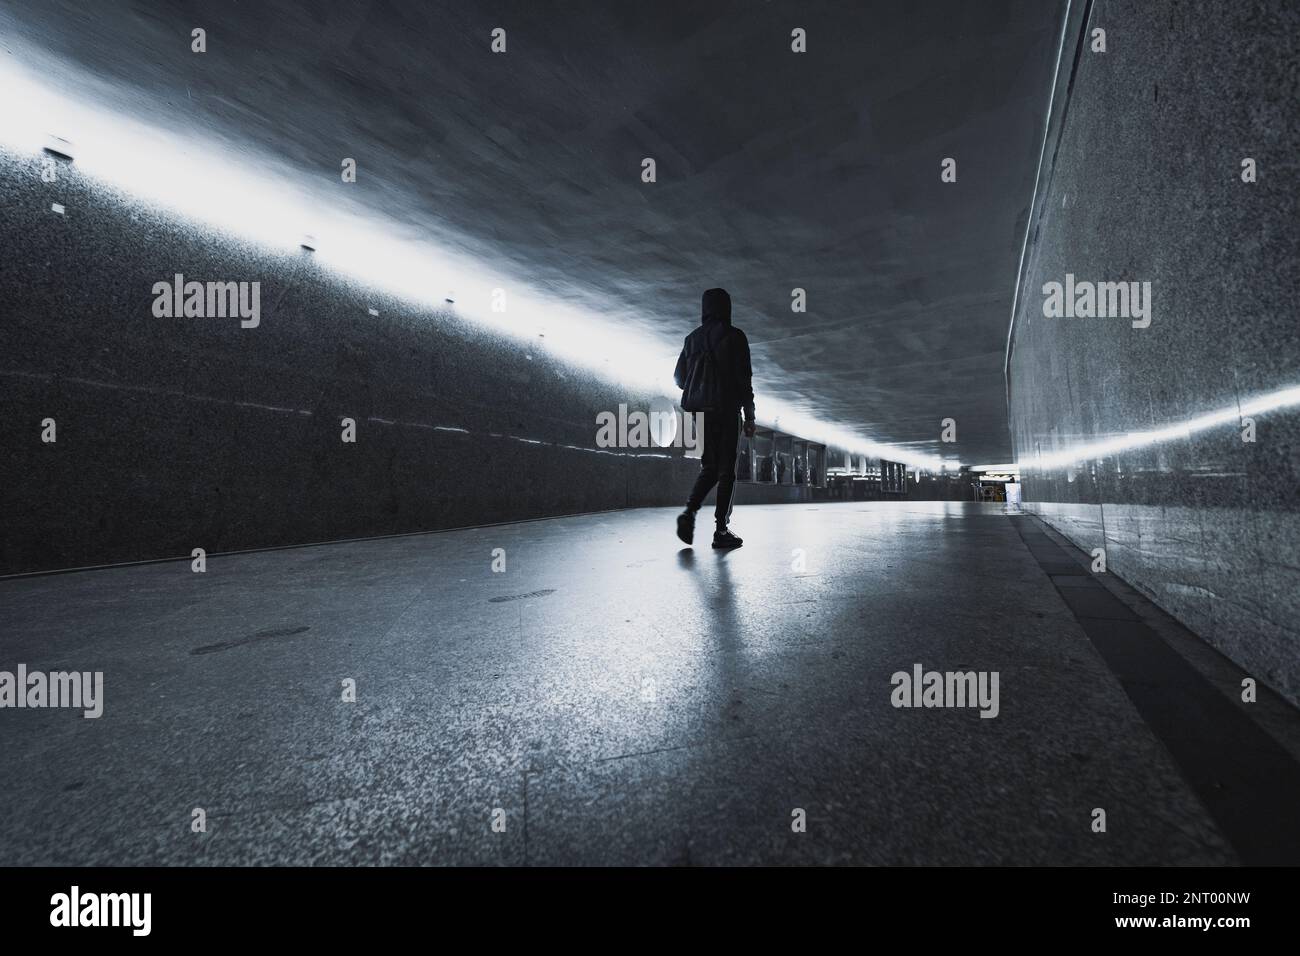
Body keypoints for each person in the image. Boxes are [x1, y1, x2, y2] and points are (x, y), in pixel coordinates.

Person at [673, 287, 756, 549]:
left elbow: (679, 378)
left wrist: (700, 384)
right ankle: (721, 530)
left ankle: (689, 512)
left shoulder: (691, 339)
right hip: (727, 410)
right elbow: (744, 380)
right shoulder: (734, 336)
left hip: (701, 412)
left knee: (709, 467)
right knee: (726, 471)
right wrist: (750, 416)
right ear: (726, 308)